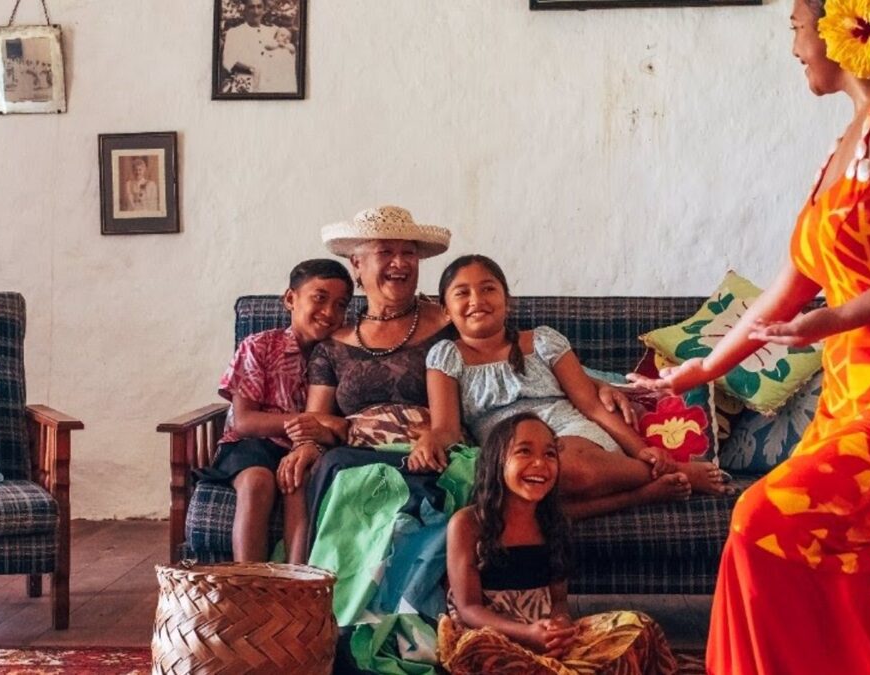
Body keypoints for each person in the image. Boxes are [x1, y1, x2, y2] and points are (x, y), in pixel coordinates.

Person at [628, 1, 870, 672]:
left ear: (846, 21)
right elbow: (782, 296)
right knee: (806, 557)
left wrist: (842, 316)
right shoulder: (850, 140)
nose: (794, 44)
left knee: (765, 520)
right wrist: (693, 372)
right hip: (856, 401)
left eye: (796, 24)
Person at [301, 206, 639, 520]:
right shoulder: (333, 342)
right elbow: (316, 419)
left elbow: (515, 357)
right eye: (385, 252)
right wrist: (305, 445)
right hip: (362, 455)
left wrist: (599, 385)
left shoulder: (451, 318)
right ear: (356, 264)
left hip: (439, 457)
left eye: (409, 253)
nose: (400, 263)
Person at [425, 254, 730, 519]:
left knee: (563, 468)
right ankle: (646, 491)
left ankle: (658, 469)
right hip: (510, 450)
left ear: (507, 301)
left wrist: (643, 451)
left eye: (488, 289)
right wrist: (429, 440)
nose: (476, 300)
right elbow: (447, 429)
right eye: (462, 293)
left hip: (570, 435)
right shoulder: (446, 356)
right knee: (525, 496)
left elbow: (592, 404)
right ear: (446, 310)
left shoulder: (543, 340)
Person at [439, 412, 679, 675]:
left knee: (638, 627)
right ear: (497, 461)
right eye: (524, 452)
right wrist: (526, 634)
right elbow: (468, 609)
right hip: (490, 636)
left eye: (550, 454)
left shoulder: (555, 523)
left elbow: (559, 603)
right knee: (481, 651)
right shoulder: (467, 524)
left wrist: (561, 626)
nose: (540, 463)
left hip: (543, 638)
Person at [196, 259, 353, 564]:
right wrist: (310, 421)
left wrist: (318, 432)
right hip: (252, 445)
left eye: (341, 305)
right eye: (319, 298)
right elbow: (244, 421)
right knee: (258, 482)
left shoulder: (342, 355)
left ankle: (295, 582)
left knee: (298, 480)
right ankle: (251, 583)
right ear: (290, 299)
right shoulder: (259, 346)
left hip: (310, 447)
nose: (330, 313)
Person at [220, 0, 296, 94]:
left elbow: (288, 54)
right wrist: (252, 69)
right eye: (251, 7)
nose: (256, 12)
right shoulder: (234, 33)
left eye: (259, 7)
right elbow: (228, 61)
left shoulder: (274, 31)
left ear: (264, 9)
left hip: (272, 84)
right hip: (245, 83)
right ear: (245, 9)